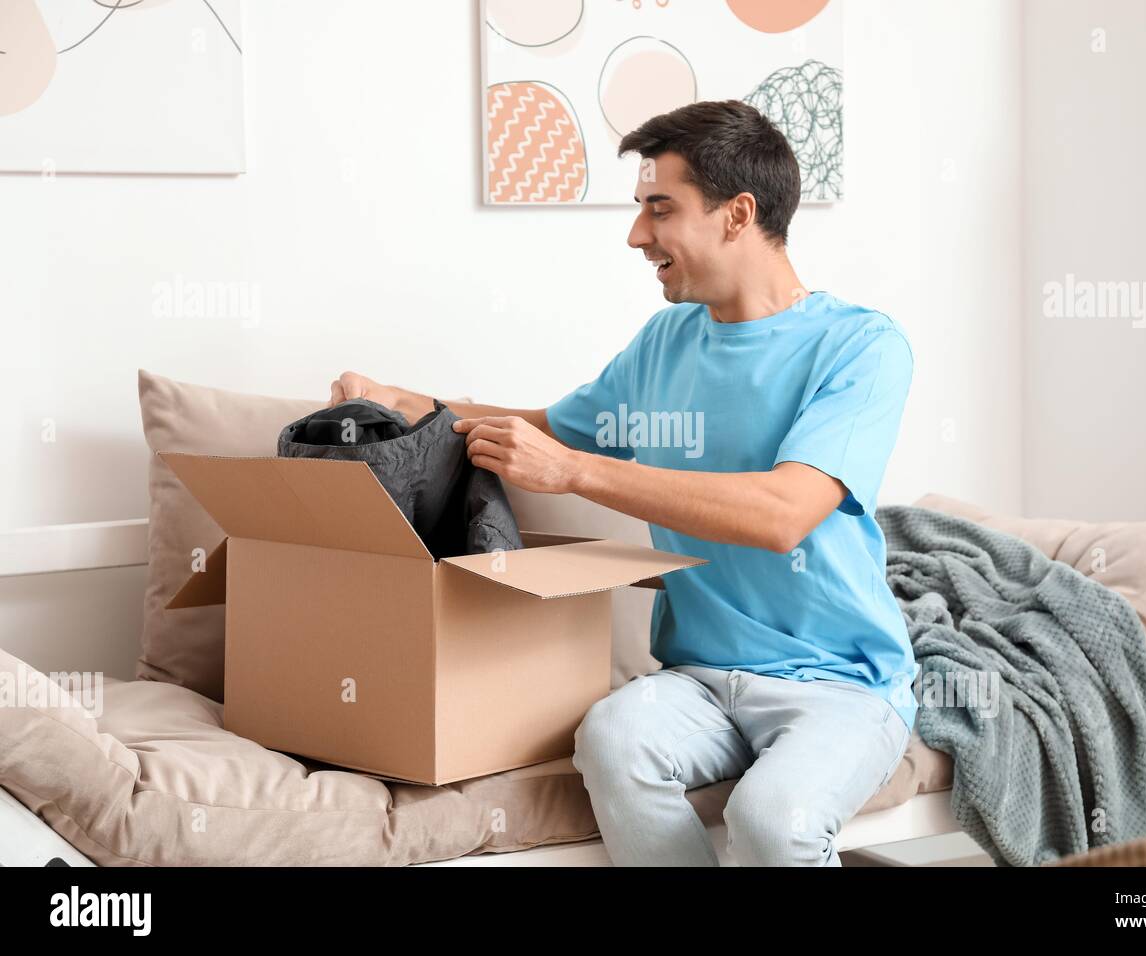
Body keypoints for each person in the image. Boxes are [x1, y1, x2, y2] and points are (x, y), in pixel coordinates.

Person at [328, 99, 918, 866]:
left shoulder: (860, 347)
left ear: (737, 215)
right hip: (700, 677)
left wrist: (575, 472)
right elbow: (545, 426)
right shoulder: (667, 341)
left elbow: (783, 513)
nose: (638, 235)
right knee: (611, 740)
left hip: (841, 684)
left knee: (775, 820)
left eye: (658, 209)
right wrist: (411, 403)